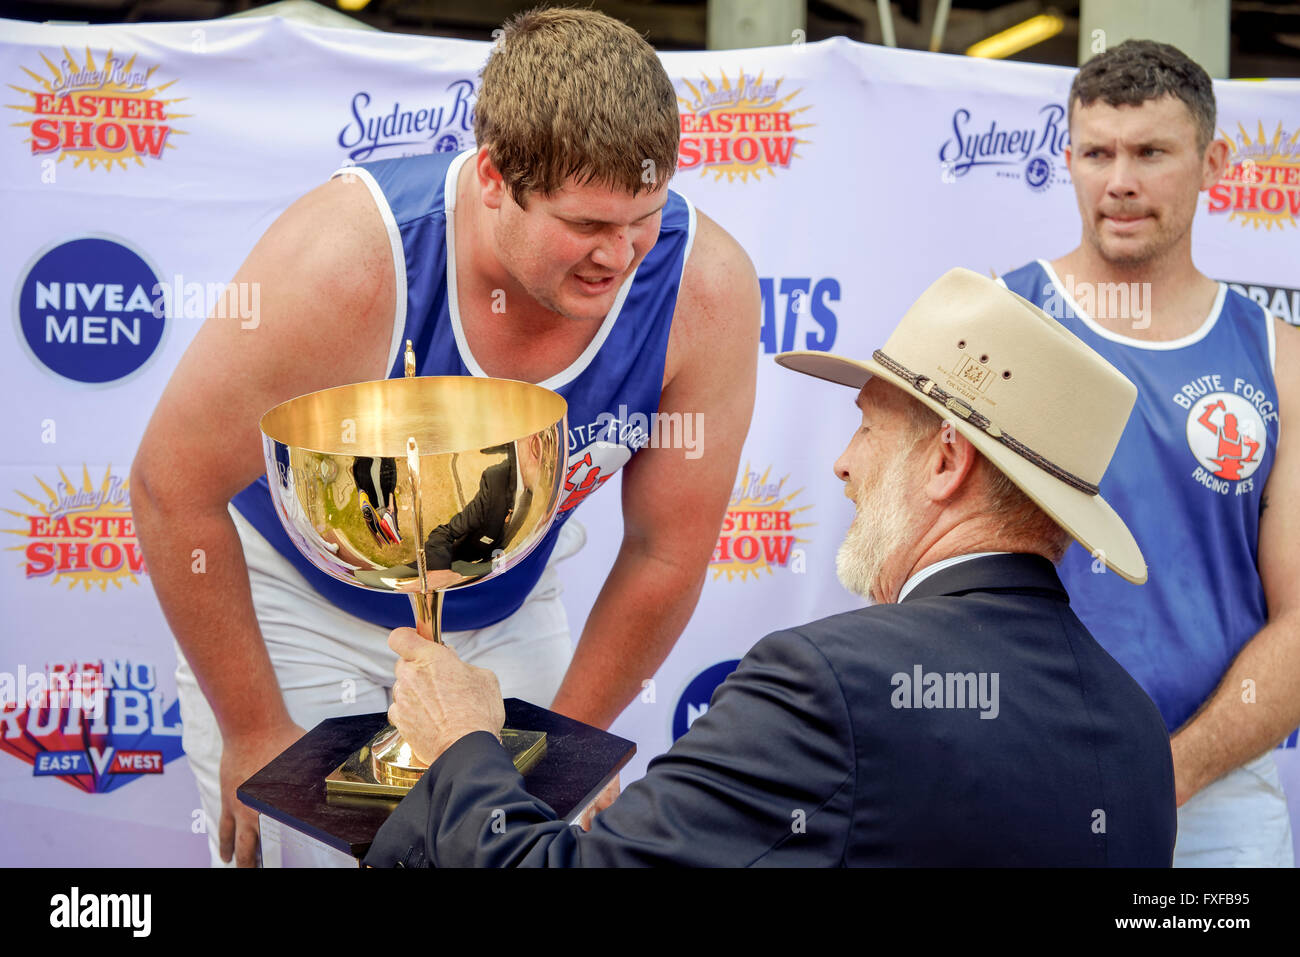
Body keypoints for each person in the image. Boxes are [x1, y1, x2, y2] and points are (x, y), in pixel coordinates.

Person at [130, 6, 759, 867]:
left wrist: (573, 738)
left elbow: (665, 551)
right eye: (585, 225)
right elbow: (173, 486)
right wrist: (252, 726)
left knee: (516, 856)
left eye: (643, 215)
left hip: (501, 592)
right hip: (301, 602)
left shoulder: (703, 289)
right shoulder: (351, 260)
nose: (620, 256)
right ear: (495, 177)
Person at [361, 268, 1177, 867]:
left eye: (869, 429)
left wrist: (466, 743)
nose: (843, 465)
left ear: (946, 463)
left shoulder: (831, 683)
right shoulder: (1139, 731)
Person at [998, 39, 1299, 866]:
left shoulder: (1280, 359)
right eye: (1097, 153)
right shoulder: (994, 326)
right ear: (1070, 160)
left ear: (1214, 164)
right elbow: (911, 569)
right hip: (1021, 781)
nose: (1120, 181)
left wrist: (1167, 773)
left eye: (1152, 153)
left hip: (1218, 796)